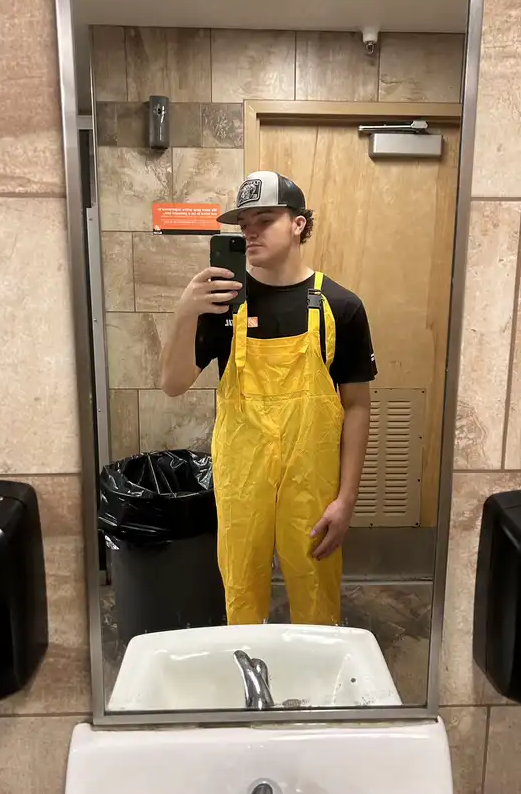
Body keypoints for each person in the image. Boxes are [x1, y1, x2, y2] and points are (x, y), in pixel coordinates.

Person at [160, 171, 376, 626]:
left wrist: (346, 499)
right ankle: (246, 665)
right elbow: (172, 383)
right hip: (242, 479)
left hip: (312, 482)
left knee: (316, 591)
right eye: (244, 224)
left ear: (298, 224)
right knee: (241, 591)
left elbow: (357, 405)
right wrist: (185, 311)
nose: (250, 232)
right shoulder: (225, 303)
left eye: (265, 220)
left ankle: (314, 672)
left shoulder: (341, 306)